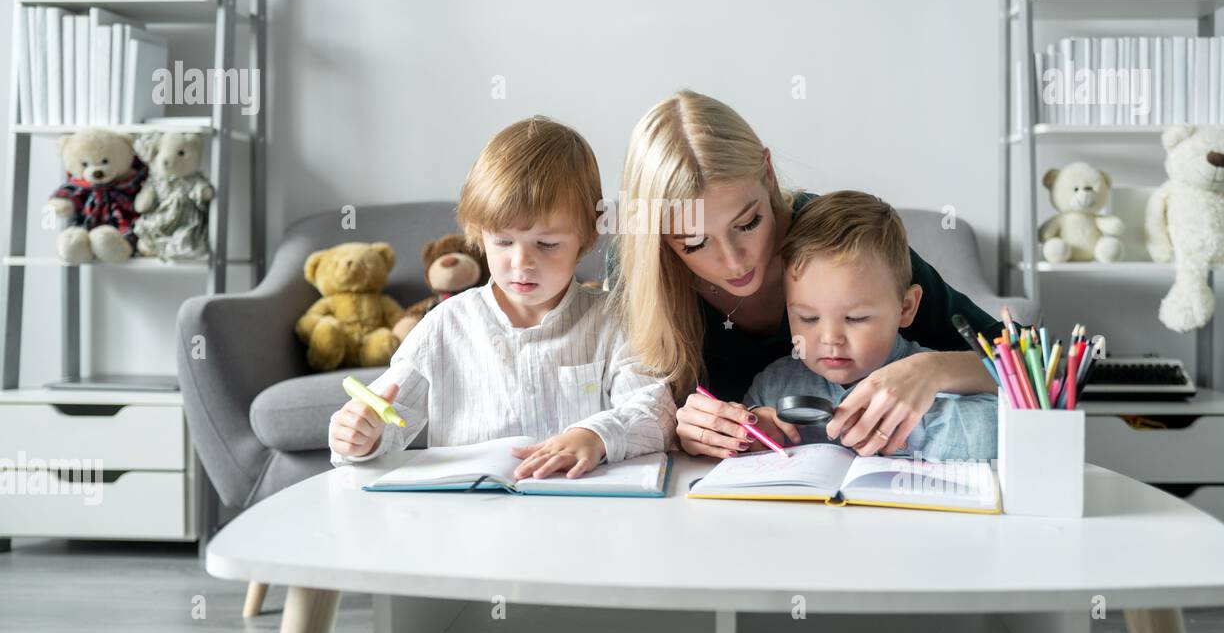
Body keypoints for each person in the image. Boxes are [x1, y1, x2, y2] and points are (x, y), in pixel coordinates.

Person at [608, 90, 1002, 459]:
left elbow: (1030, 366)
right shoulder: (646, 282)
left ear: (767, 174)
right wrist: (684, 430)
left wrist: (930, 370)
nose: (734, 262)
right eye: (694, 244)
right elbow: (628, 411)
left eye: (747, 223)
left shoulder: (843, 247)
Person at [328, 117, 675, 479]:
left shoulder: (612, 321)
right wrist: (357, 437)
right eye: (503, 242)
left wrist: (595, 435)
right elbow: (382, 419)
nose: (521, 262)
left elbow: (655, 413)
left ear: (586, 238)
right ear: (480, 235)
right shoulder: (445, 325)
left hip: (576, 517)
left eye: (547, 244)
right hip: (472, 520)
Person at [743, 190, 997, 461]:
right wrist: (752, 434)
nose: (830, 338)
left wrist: (905, 423)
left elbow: (993, 434)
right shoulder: (772, 386)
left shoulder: (933, 384)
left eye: (855, 318)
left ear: (906, 307)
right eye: (808, 318)